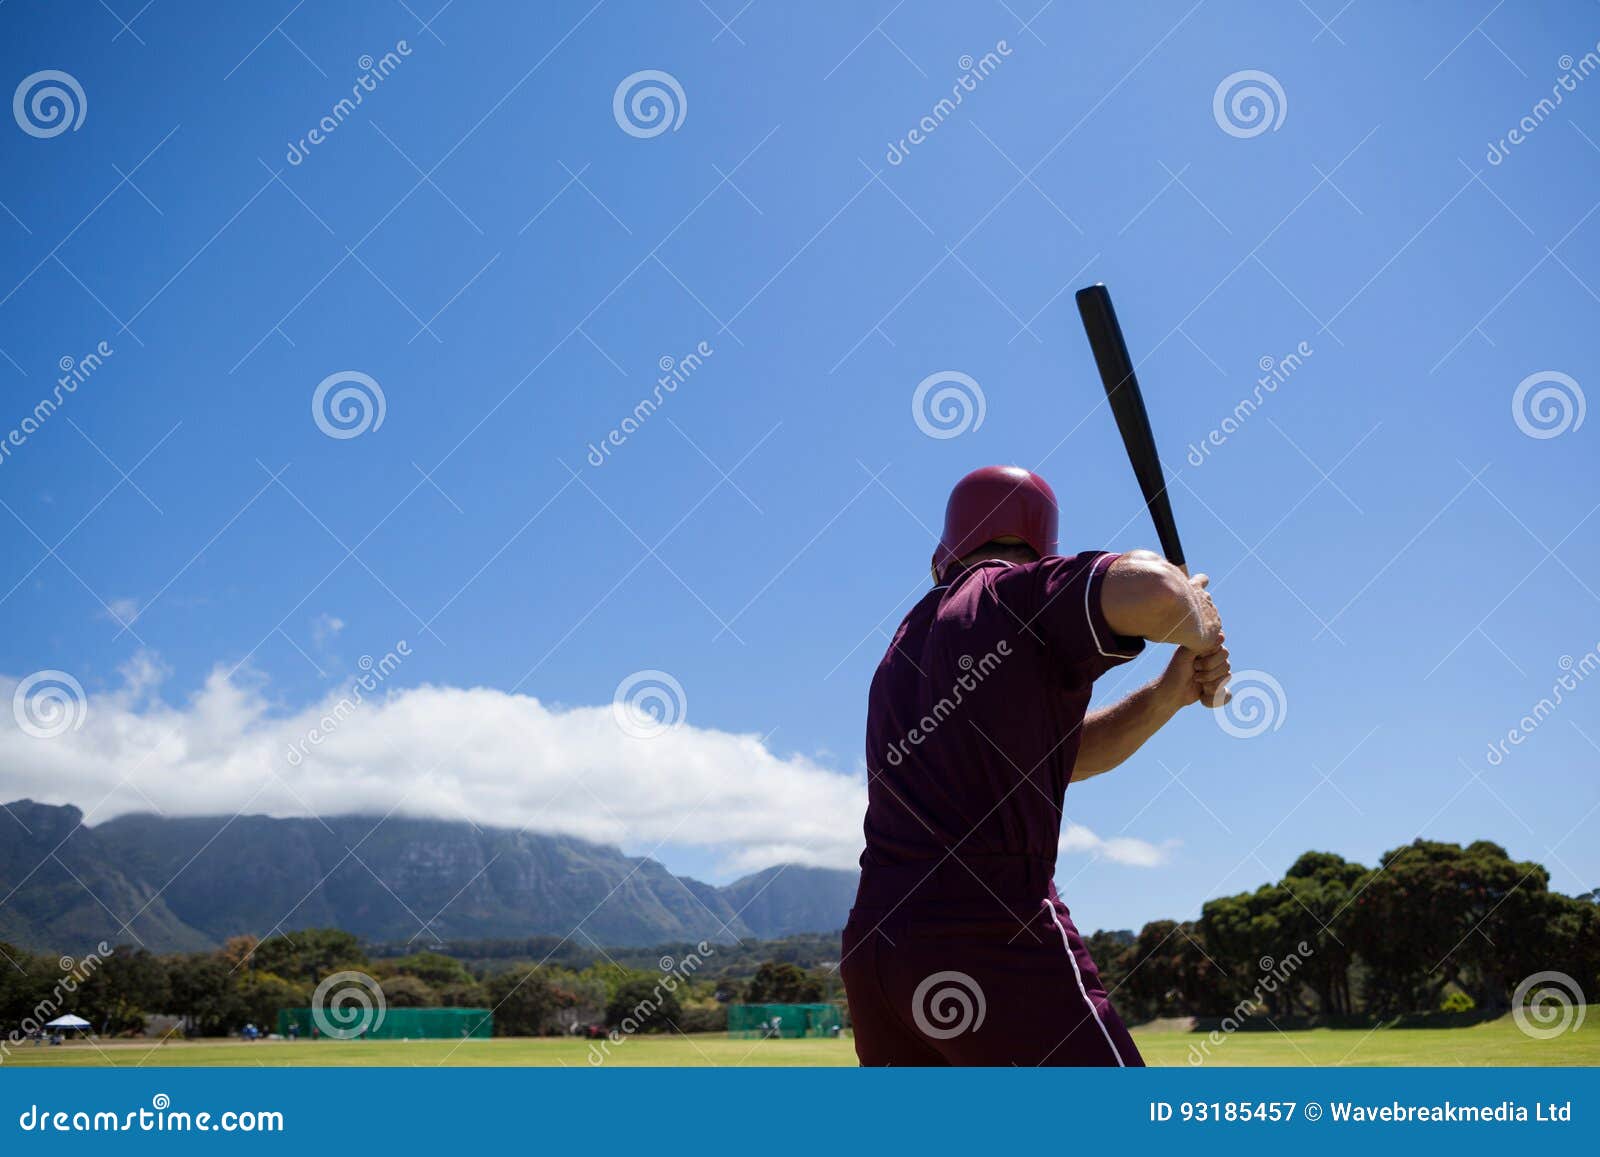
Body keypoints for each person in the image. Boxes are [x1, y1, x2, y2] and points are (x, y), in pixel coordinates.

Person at [840, 465, 1230, 1066]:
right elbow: (1156, 594)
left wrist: (1167, 695)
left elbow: (1059, 763)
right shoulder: (1016, 593)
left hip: (877, 948)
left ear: (947, 549)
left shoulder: (905, 645)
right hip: (991, 932)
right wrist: (1197, 616)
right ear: (1040, 549)